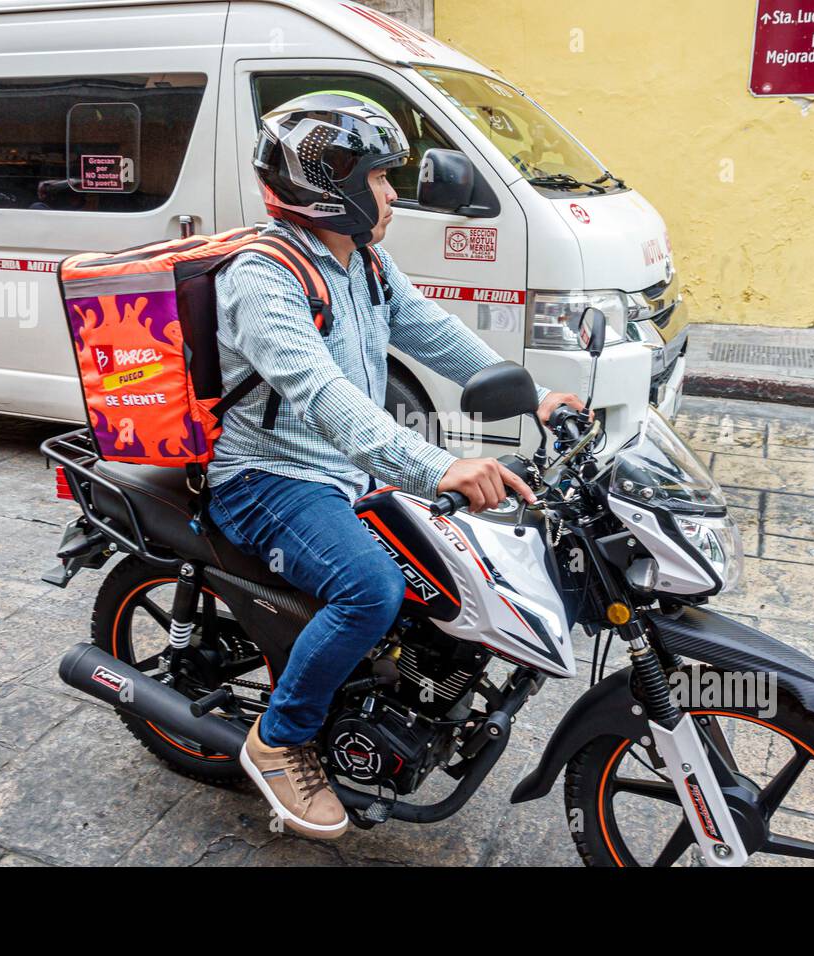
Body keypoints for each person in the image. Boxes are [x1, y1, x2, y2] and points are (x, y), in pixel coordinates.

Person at [207, 91, 587, 840]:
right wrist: (433, 467)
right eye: (379, 180)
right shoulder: (263, 277)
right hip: (268, 479)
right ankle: (279, 742)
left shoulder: (363, 261)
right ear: (332, 186)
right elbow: (322, 396)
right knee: (369, 589)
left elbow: (436, 334)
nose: (391, 196)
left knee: (457, 567)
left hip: (341, 470)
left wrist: (537, 398)